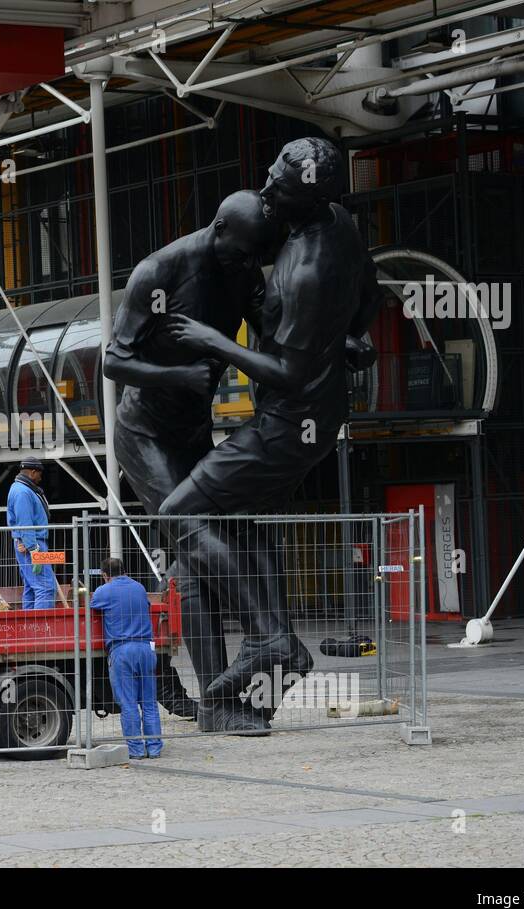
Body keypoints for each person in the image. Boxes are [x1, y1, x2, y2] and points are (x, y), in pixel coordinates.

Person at [158, 137, 382, 733]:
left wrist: (215, 343)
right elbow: (372, 296)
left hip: (287, 428)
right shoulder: (338, 223)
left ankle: (271, 640)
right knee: (235, 523)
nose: (266, 190)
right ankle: (247, 701)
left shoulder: (307, 270)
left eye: (277, 188)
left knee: (177, 516)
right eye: (269, 173)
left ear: (307, 200)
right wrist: (349, 337)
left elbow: (289, 372)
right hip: (308, 417)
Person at [105, 190, 275, 728]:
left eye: (255, 257)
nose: (247, 265)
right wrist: (176, 375)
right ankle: (259, 644)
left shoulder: (244, 271)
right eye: (240, 253)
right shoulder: (159, 271)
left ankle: (211, 699)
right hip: (145, 433)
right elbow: (114, 359)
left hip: (195, 433)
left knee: (190, 566)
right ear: (218, 229)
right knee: (194, 534)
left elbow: (274, 330)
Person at [90, 557, 162, 759]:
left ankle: (136, 750)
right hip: (146, 649)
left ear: (105, 575)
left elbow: (92, 606)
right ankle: (155, 748)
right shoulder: (139, 587)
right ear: (124, 570)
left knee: (128, 703)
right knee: (149, 702)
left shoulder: (104, 591)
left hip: (122, 650)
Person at [6, 456, 57, 609]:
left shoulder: (21, 489)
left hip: (30, 543)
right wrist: (32, 548)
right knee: (46, 587)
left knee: (31, 588)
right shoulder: (23, 492)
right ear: (33, 472)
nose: (40, 478)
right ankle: (41, 630)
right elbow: (24, 522)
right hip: (34, 545)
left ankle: (29, 630)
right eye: (40, 474)